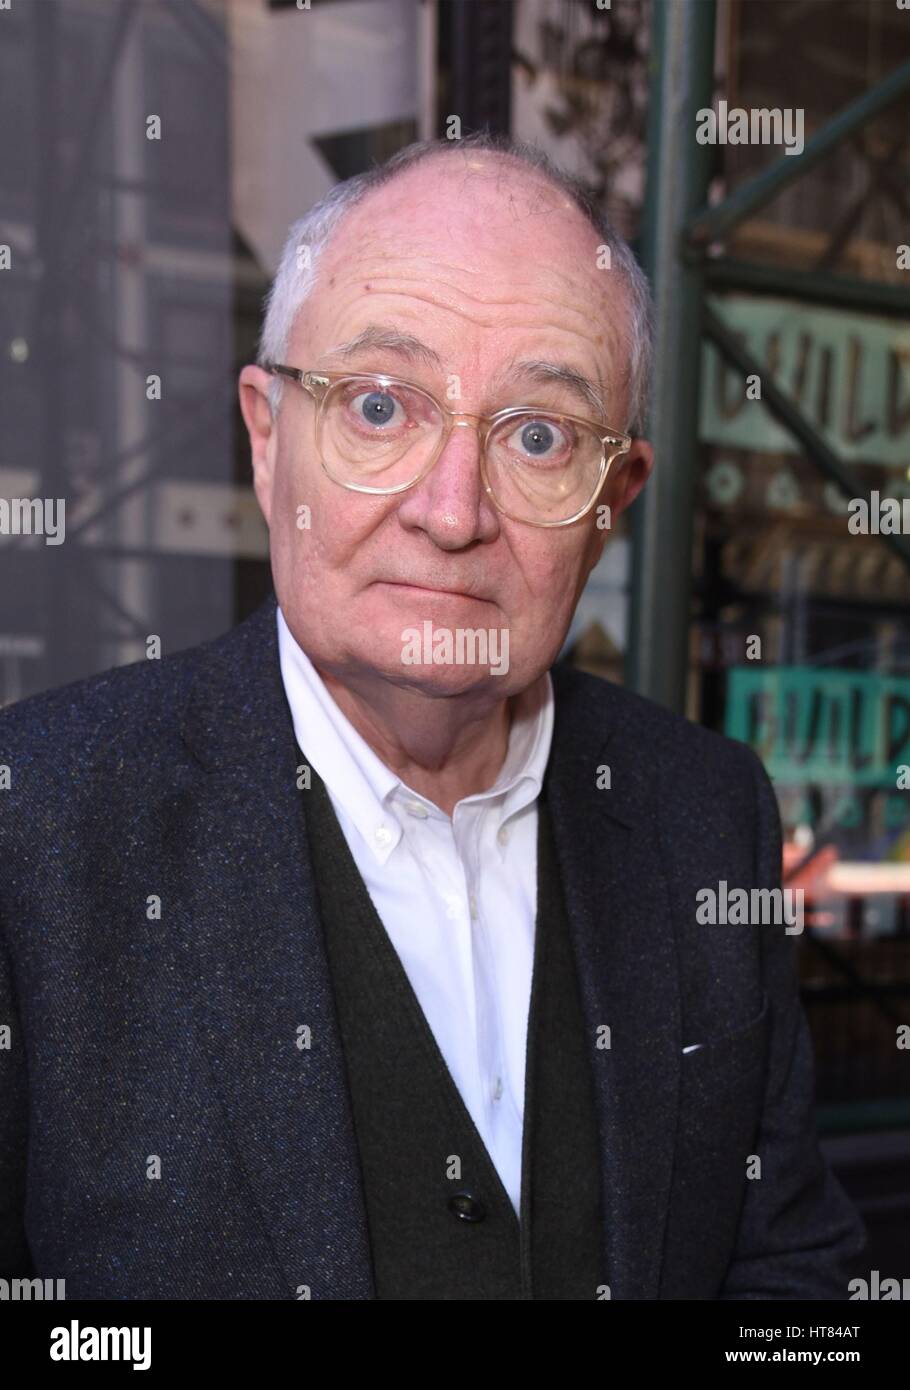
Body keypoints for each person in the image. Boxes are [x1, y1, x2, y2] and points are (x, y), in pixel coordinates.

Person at [0, 133, 865, 1300]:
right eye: (377, 406)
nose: (452, 511)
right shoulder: (38, 825)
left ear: (613, 502)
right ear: (267, 440)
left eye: (541, 436)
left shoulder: (704, 809)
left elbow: (793, 1277)